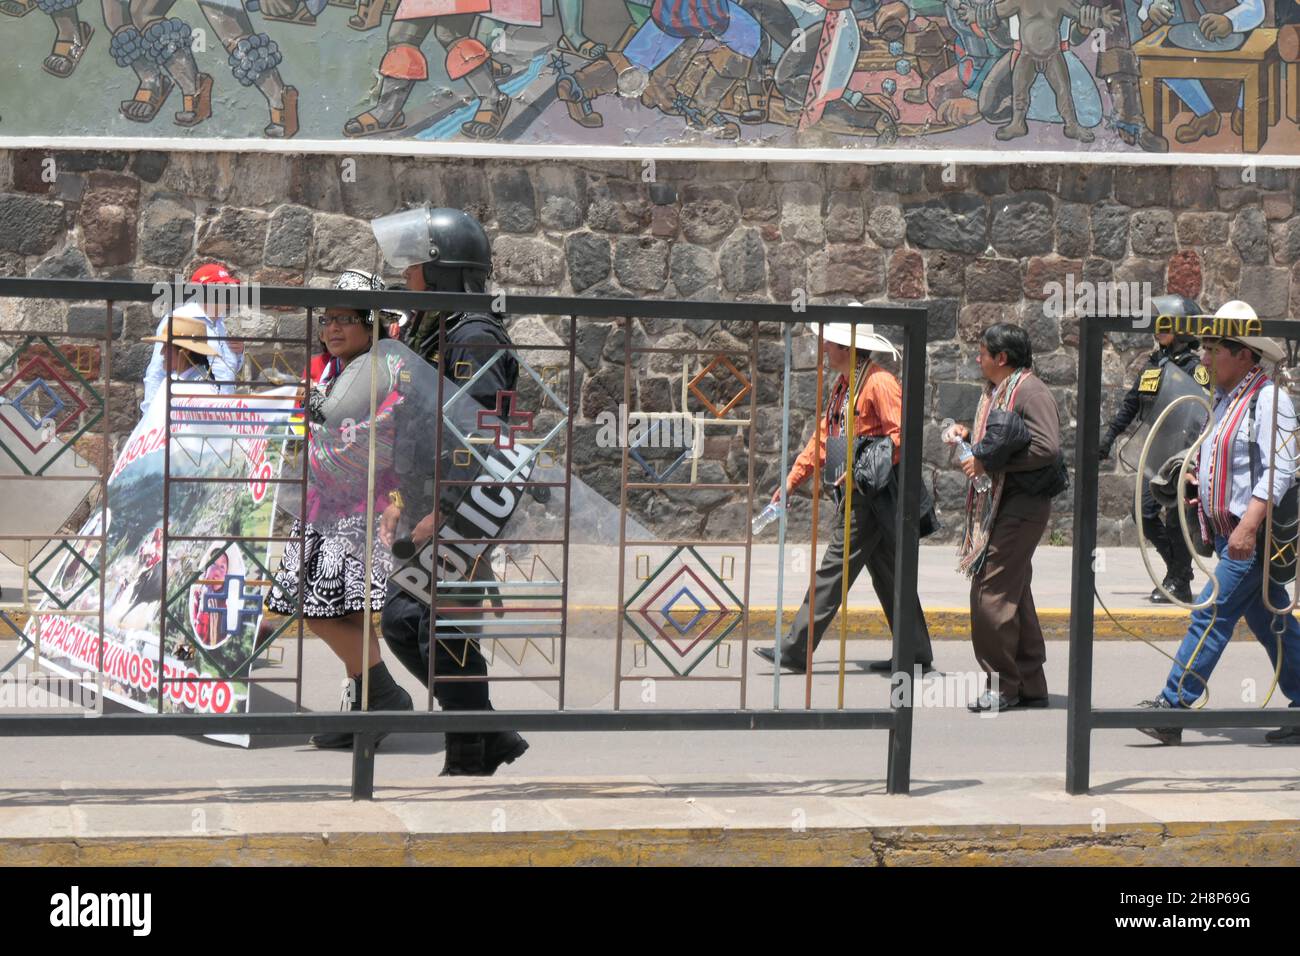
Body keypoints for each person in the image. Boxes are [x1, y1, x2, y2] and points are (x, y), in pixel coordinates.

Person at [370, 205, 528, 776]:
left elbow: (481, 431)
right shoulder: (433, 331)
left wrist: (442, 510)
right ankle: (481, 739)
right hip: (429, 498)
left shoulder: (475, 336)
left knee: (416, 618)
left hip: (466, 503)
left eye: (414, 267)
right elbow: (416, 422)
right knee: (426, 620)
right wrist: (395, 500)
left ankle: (480, 741)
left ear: (440, 273)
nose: (405, 276)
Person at [1137, 301, 1300, 746]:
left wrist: (1247, 526)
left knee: (1211, 613)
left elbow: (1280, 470)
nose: (1205, 358)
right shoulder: (1229, 400)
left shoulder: (1269, 400)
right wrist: (1196, 481)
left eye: (1214, 350)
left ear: (1244, 353)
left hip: (1252, 536)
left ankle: (1173, 706)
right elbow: (1227, 462)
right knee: (1272, 622)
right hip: (1232, 535)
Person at [264, 269, 414, 750]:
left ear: (371, 323)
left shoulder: (375, 367)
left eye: (345, 319)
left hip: (359, 506)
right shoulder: (338, 368)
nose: (332, 328)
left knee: (322, 611)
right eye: (327, 319)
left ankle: (384, 696)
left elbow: (340, 415)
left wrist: (311, 403)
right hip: (325, 505)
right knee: (337, 612)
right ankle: (367, 703)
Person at [753, 321, 936, 676]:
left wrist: (861, 469)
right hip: (859, 494)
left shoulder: (878, 383)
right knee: (890, 574)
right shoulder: (844, 387)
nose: (824, 348)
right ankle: (914, 651)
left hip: (870, 497)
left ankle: (795, 648)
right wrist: (791, 481)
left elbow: (902, 436)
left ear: (848, 349)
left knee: (832, 571)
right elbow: (822, 441)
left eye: (831, 343)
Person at [948, 323, 1065, 712]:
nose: (977, 359)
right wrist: (973, 442)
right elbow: (997, 440)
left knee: (989, 593)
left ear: (1002, 358)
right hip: (1002, 504)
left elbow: (1047, 447)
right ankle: (1030, 683)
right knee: (1014, 592)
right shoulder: (996, 392)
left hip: (1021, 506)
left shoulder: (1030, 390)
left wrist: (991, 463)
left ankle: (1001, 686)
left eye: (982, 352)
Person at [1100, 294, 1210, 603]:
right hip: (1154, 453)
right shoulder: (1153, 365)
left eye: (1167, 323)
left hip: (1181, 455)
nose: (1158, 328)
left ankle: (1179, 581)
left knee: (1176, 521)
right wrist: (1109, 437)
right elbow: (1131, 404)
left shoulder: (1196, 368)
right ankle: (1176, 571)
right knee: (1143, 513)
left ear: (1183, 329)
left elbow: (1202, 411)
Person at [141, 263, 244, 412]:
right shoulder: (180, 318)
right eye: (223, 287)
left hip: (218, 414)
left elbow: (226, 372)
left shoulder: (219, 324)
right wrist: (150, 415)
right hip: (186, 415)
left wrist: (239, 352)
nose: (229, 293)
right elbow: (157, 371)